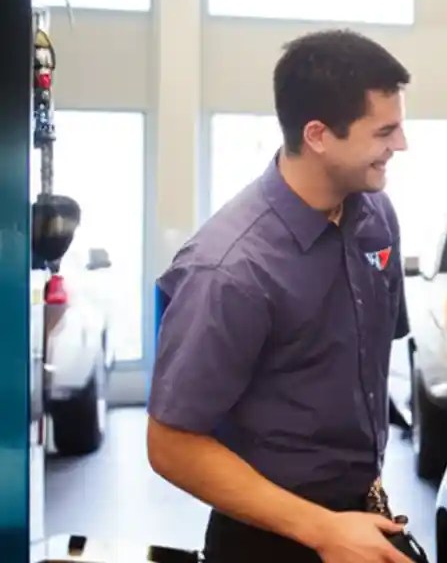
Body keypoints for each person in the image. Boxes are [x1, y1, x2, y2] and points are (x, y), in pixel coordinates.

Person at [147, 30, 414, 563]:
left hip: (360, 519)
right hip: (267, 537)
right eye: (384, 131)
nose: (401, 145)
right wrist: (321, 531)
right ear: (317, 135)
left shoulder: (375, 218)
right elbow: (170, 445)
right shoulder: (229, 270)